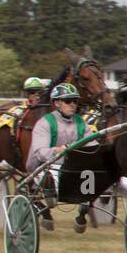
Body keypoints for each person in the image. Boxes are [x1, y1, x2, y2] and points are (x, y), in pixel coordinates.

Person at [26, 83, 88, 229]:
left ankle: (83, 213)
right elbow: (40, 152)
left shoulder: (81, 122)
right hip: (45, 166)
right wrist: (59, 150)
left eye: (75, 101)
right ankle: (49, 189)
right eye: (68, 101)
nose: (72, 104)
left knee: (91, 174)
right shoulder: (45, 123)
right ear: (56, 103)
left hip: (73, 168)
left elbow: (92, 144)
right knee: (51, 174)